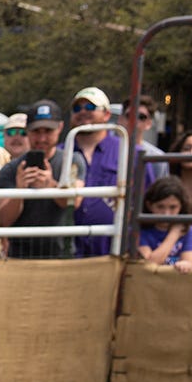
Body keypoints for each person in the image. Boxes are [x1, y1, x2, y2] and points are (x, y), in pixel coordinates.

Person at [0, 100, 76, 260]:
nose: (42, 138)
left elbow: (73, 203)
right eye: (36, 131)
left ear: (60, 127)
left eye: (48, 131)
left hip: (61, 255)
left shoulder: (71, 161)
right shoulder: (10, 169)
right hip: (21, 256)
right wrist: (20, 191)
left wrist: (50, 185)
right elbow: (4, 220)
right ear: (28, 131)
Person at [53, 87, 123, 258]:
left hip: (113, 246)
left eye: (90, 107)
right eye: (77, 108)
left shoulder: (127, 151)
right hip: (68, 249)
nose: (83, 112)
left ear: (107, 114)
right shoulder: (60, 154)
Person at [135, 178, 192, 271]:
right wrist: (174, 234)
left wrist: (185, 264)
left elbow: (189, 262)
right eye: (160, 207)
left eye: (173, 207)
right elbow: (149, 263)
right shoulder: (140, 230)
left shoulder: (188, 230)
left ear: (181, 206)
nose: (166, 214)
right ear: (149, 205)